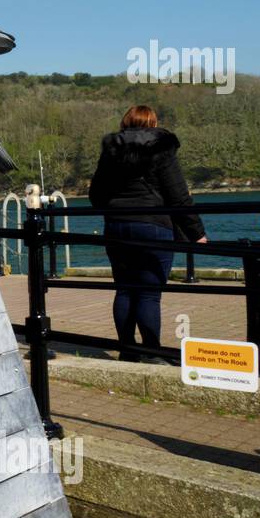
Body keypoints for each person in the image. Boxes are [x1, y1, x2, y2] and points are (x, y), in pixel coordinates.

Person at [88, 105, 208, 362]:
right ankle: (152, 352)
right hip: (154, 226)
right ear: (153, 124)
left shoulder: (112, 152)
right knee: (148, 293)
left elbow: (95, 195)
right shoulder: (162, 149)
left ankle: (128, 351)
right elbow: (178, 196)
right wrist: (197, 233)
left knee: (124, 290)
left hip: (117, 226)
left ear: (125, 124)